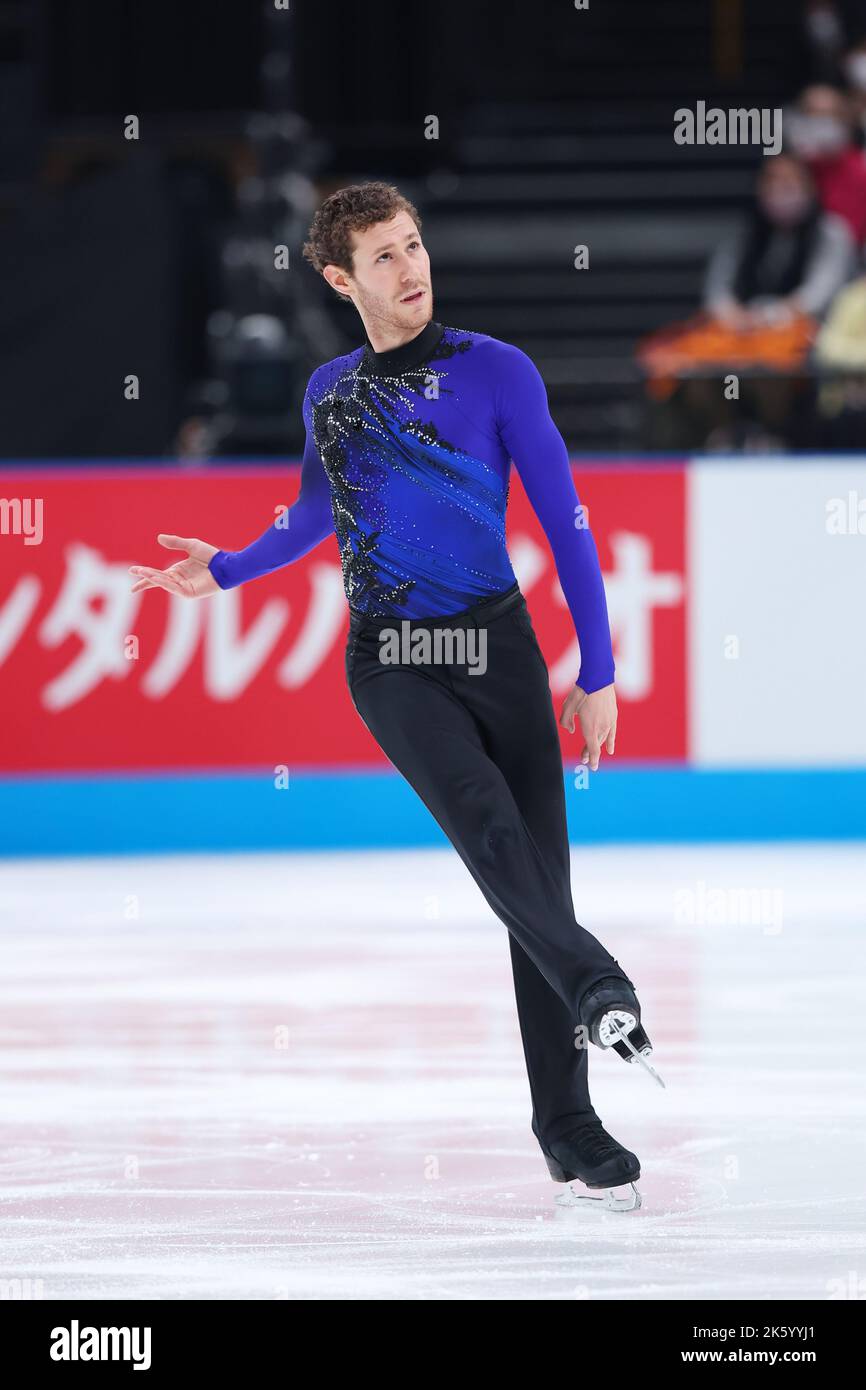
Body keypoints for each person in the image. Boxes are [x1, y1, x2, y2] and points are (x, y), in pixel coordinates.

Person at [130, 181, 659, 1211]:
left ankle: (567, 1126)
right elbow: (313, 513)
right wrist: (227, 568)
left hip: (499, 648)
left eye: (413, 245)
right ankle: (599, 986)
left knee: (534, 891)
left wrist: (595, 672)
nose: (410, 268)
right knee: (485, 828)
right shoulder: (329, 392)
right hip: (393, 658)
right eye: (381, 257)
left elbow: (568, 524)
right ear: (338, 278)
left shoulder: (495, 373)